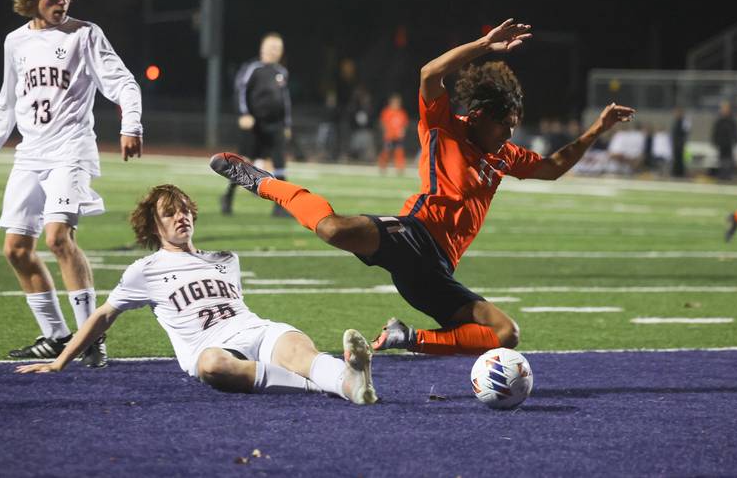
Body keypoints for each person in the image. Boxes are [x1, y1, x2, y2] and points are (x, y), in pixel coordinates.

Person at [210, 18, 635, 357]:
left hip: (437, 270)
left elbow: (553, 167)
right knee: (333, 230)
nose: (509, 133)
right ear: (482, 114)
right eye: (504, 124)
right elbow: (430, 72)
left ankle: (406, 338)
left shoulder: (504, 156)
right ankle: (264, 183)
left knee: (506, 333)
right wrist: (485, 44)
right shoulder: (445, 126)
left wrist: (598, 128)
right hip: (413, 235)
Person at [15, 185, 378, 405]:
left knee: (299, 350)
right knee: (211, 367)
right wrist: (61, 360)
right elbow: (104, 315)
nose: (181, 217)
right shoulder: (146, 270)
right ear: (154, 227)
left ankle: (349, 383)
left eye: (185, 210)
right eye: (170, 214)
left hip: (257, 330)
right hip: (211, 348)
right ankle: (336, 383)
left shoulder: (225, 260)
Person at [0, 0, 142, 367]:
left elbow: (122, 82)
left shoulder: (85, 35)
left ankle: (91, 339)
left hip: (71, 150)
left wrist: (131, 123)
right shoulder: (16, 42)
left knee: (58, 238)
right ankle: (56, 335)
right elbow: (7, 102)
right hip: (30, 155)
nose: (62, 1)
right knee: (15, 249)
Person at [221, 33, 292, 217]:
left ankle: (280, 206)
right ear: (263, 48)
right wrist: (244, 114)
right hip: (254, 124)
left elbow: (285, 101)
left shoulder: (281, 72)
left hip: (275, 125)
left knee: (279, 163)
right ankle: (228, 196)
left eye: (278, 48)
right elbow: (240, 91)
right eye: (272, 47)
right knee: (245, 162)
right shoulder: (252, 68)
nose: (275, 51)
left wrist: (287, 124)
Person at [377, 93, 410, 174]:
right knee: (386, 152)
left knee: (399, 152)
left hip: (398, 137)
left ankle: (400, 168)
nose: (396, 104)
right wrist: (385, 131)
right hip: (389, 136)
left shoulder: (402, 113)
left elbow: (405, 124)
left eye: (398, 102)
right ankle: (382, 166)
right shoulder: (387, 112)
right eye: (395, 102)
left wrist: (403, 130)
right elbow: (382, 122)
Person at [711, 101, 737, 181]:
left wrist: (735, 141)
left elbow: (735, 132)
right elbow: (715, 132)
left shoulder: (732, 120)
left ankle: (728, 177)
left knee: (728, 161)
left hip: (729, 145)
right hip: (721, 145)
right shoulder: (719, 120)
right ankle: (721, 177)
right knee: (721, 161)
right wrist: (715, 142)